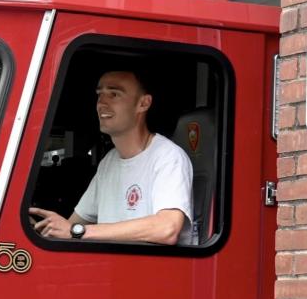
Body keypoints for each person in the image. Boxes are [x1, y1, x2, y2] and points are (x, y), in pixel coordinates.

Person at [29, 69, 194, 245]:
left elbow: (166, 229)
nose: (101, 103)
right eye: (99, 94)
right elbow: (75, 224)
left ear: (143, 103)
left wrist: (77, 231)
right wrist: (39, 232)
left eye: (114, 94)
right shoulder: (109, 161)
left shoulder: (168, 156)